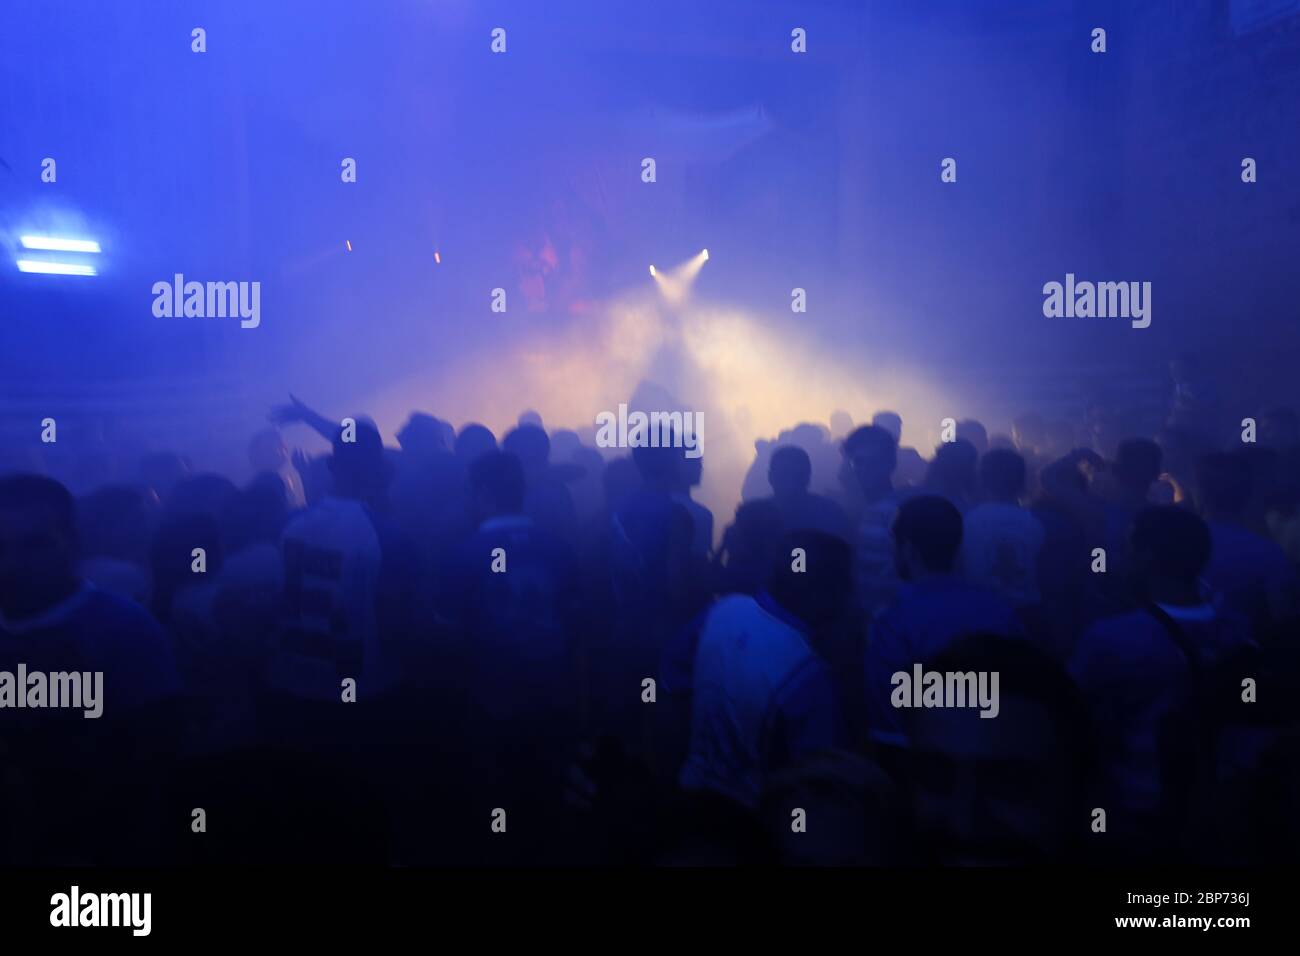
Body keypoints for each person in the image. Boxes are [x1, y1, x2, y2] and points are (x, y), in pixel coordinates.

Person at [0, 475, 181, 863]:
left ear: (73, 542)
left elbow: (156, 762)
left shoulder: (123, 630)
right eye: (1, 547)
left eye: (34, 545)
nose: (12, 564)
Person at [1068, 506, 1254, 855]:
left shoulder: (1112, 638)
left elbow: (1072, 719)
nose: (1122, 558)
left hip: (1131, 812)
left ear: (1147, 557)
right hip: (1221, 812)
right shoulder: (1238, 629)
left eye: (1128, 549)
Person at [680, 531, 853, 812]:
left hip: (689, 797)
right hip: (753, 826)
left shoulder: (721, 610)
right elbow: (818, 785)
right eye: (845, 582)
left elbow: (670, 682)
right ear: (825, 590)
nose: (851, 591)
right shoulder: (809, 674)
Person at [863, 496, 1023, 748]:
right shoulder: (1001, 611)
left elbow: (890, 725)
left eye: (894, 544)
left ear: (908, 550)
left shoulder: (893, 620)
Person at [1194, 451, 1297, 640]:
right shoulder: (1267, 551)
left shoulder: (1174, 539)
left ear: (1200, 492)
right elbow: (1282, 614)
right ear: (1247, 495)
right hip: (1239, 655)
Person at [960, 448, 1045, 608]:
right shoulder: (1036, 522)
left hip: (977, 612)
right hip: (1026, 615)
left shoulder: (967, 520)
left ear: (982, 480)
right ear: (1022, 482)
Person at [842, 425, 903, 619]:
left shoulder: (899, 512)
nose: (863, 470)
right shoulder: (848, 509)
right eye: (857, 462)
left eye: (874, 463)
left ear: (891, 464)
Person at [764, 445, 852, 541]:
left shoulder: (755, 516)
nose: (790, 482)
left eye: (796, 475)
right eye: (784, 475)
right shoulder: (829, 512)